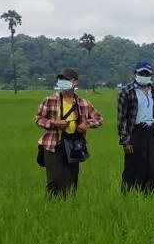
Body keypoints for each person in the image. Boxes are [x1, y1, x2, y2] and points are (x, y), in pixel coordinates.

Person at [34, 68, 104, 198]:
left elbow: (99, 119)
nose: (62, 81)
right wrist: (54, 123)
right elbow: (38, 119)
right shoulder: (49, 100)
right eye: (60, 79)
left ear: (75, 81)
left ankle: (68, 205)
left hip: (73, 146)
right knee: (54, 181)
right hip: (52, 145)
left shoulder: (83, 103)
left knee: (71, 181)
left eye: (66, 79)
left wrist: (86, 124)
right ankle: (52, 205)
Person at [115, 60, 154, 193]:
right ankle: (129, 195)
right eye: (141, 73)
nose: (144, 76)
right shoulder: (126, 92)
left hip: (150, 132)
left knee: (152, 166)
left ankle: (151, 195)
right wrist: (125, 141)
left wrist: (150, 120)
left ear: (151, 75)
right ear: (135, 73)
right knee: (133, 166)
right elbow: (121, 118)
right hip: (134, 132)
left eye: (147, 74)